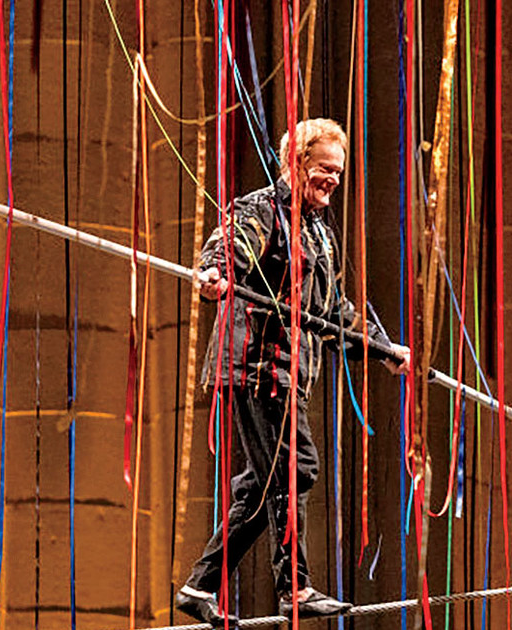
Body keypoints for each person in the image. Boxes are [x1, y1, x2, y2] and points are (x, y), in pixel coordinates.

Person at [175, 118, 411, 628]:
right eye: (324, 168)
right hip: (256, 365)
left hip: (291, 372)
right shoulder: (262, 209)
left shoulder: (320, 232)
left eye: (339, 172)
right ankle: (295, 589)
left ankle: (201, 585)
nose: (332, 179)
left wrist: (383, 347)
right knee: (295, 469)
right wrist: (216, 273)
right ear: (296, 162)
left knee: (262, 485)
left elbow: (333, 311)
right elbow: (231, 247)